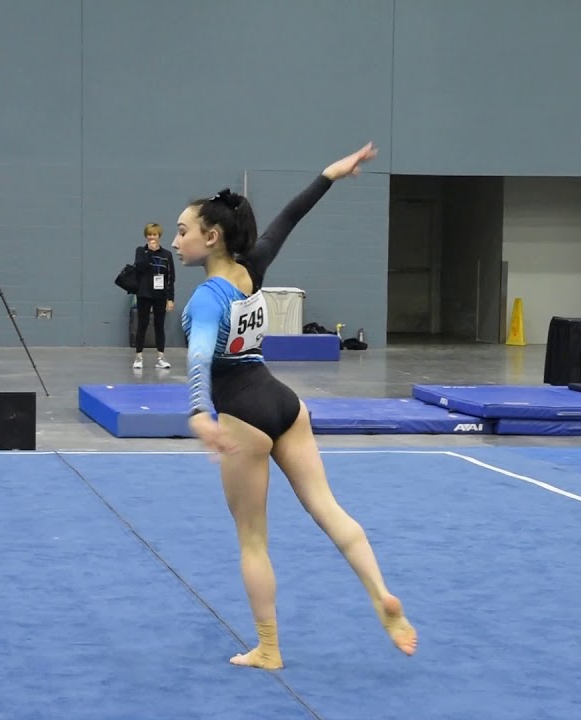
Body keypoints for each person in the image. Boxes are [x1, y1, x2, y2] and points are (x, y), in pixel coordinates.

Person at [173, 143, 416, 669]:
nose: (176, 241)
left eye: (182, 231)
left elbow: (197, 359)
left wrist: (198, 412)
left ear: (211, 236)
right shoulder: (252, 267)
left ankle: (268, 648)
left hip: (242, 415)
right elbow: (289, 218)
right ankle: (380, 593)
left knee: (253, 541)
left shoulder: (207, 298)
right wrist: (330, 174)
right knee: (328, 509)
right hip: (284, 402)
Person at [132, 222, 176, 370]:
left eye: (154, 234)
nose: (152, 237)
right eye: (149, 234)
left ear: (159, 236)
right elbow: (140, 267)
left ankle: (161, 358)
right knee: (142, 325)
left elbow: (171, 277)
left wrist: (170, 298)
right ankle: (138, 357)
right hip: (144, 294)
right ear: (146, 237)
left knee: (159, 326)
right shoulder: (141, 251)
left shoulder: (166, 255)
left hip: (160, 295)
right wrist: (149, 253)